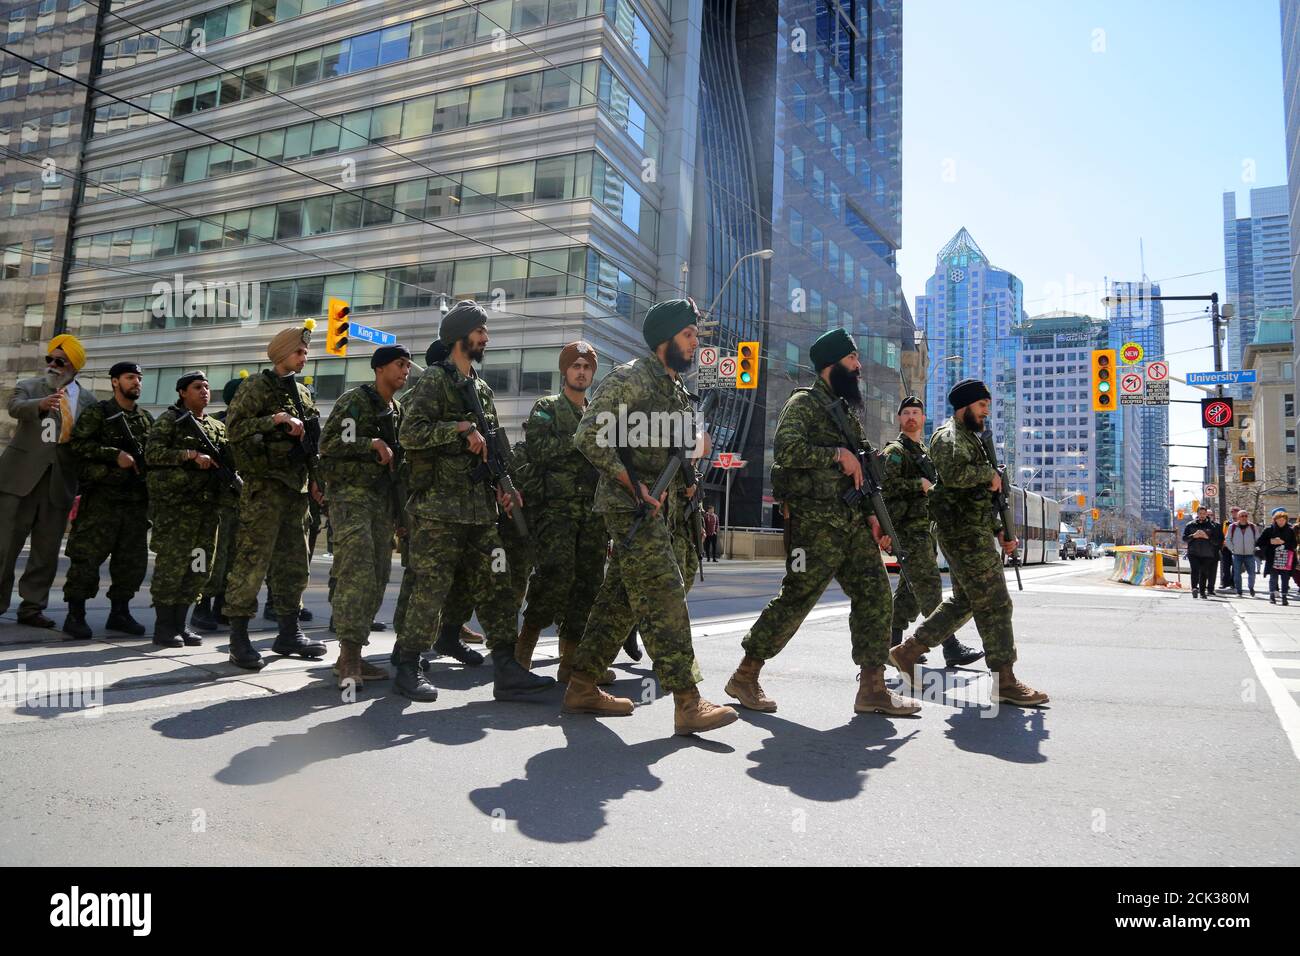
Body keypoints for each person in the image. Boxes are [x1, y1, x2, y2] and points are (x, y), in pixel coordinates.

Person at [562, 297, 737, 735]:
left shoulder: (676, 389)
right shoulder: (633, 378)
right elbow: (589, 435)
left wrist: (693, 471)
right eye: (689, 334)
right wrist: (629, 481)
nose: (696, 343)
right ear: (666, 339)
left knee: (620, 597)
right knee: (664, 589)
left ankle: (582, 683)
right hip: (630, 505)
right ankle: (688, 701)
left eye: (696, 335)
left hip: (665, 508)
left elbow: (674, 452)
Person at [725, 329, 918, 716]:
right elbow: (787, 449)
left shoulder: (845, 411)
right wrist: (835, 454)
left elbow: (860, 471)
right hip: (813, 527)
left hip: (850, 523)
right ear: (832, 364)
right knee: (796, 599)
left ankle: (873, 687)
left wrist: (872, 517)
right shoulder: (804, 403)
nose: (859, 366)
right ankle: (745, 675)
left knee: (877, 594)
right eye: (852, 359)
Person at [394, 300, 555, 703]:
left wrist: (507, 485)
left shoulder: (480, 388)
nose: (486, 337)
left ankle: (505, 666)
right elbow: (409, 432)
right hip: (439, 510)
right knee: (430, 588)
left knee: (496, 584)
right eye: (480, 330)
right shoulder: (434, 380)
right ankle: (407, 663)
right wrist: (458, 428)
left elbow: (494, 446)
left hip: (480, 509)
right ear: (460, 337)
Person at [890, 378, 1049, 707]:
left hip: (972, 529)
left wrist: (1002, 531)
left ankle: (908, 651)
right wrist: (987, 475)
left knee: (965, 602)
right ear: (964, 407)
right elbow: (952, 475)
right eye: (981, 406)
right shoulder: (950, 437)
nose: (986, 412)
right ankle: (1005, 679)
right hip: (962, 533)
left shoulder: (971, 438)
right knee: (997, 603)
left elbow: (982, 497)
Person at [222, 322, 328, 669]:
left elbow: (312, 442)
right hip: (264, 487)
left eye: (305, 353)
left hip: (296, 491)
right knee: (252, 562)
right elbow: (233, 430)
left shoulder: (304, 393)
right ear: (283, 353)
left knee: (295, 564)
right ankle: (238, 638)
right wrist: (275, 420)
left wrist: (316, 479)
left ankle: (288, 631)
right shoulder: (256, 386)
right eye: (299, 352)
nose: (304, 358)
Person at [515, 342, 612, 683]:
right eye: (576, 366)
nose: (582, 371)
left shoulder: (600, 413)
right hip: (556, 510)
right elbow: (538, 450)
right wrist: (581, 440)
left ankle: (569, 664)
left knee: (588, 584)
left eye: (587, 367)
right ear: (565, 371)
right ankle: (521, 658)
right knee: (554, 577)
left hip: (592, 513)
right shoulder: (548, 407)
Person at [319, 344, 412, 687]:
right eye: (399, 365)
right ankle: (348, 658)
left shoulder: (398, 410)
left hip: (382, 505)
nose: (405, 371)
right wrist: (369, 443)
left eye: (408, 366)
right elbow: (329, 443)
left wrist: (401, 514)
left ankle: (355, 653)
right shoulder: (355, 401)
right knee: (356, 573)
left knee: (377, 577)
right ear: (380, 369)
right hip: (351, 498)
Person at [0, 334, 96, 628]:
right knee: (4, 548)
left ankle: (32, 608)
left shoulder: (90, 402)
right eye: (50, 360)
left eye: (60, 361)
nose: (53, 365)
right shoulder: (29, 387)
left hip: (58, 485)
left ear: (74, 367)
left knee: (45, 552)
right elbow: (14, 408)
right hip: (18, 481)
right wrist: (41, 405)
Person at [882, 395, 982, 667]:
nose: (911, 417)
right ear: (899, 419)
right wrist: (919, 484)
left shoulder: (925, 453)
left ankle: (891, 647)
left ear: (923, 419)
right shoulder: (895, 451)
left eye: (916, 412)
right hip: (907, 530)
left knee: (907, 596)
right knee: (929, 589)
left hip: (926, 529)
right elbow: (885, 488)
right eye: (906, 413)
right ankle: (951, 647)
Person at [61, 362, 153, 641]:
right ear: (115, 382)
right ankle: (75, 614)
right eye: (129, 378)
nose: (136, 382)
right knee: (86, 559)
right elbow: (77, 446)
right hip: (102, 500)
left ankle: (120, 613)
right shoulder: (99, 413)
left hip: (135, 503)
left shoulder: (146, 419)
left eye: (139, 377)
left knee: (131, 562)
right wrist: (114, 455)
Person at [144, 371, 230, 648]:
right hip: (177, 511)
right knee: (172, 568)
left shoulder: (216, 427)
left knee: (199, 567)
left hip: (207, 511)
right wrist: (189, 455)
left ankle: (181, 624)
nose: (205, 391)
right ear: (182, 392)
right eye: (197, 387)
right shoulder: (170, 421)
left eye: (206, 386)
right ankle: (164, 627)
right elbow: (152, 455)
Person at [197, 372, 248, 629]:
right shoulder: (216, 423)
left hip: (244, 502)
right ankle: (201, 605)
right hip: (219, 500)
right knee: (214, 557)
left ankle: (222, 605)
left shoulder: (252, 424)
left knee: (235, 558)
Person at [1182, 506, 1223, 599]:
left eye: (1204, 514)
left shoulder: (1212, 526)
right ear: (1197, 514)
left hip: (1207, 554)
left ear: (1206, 515)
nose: (1202, 515)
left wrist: (1207, 537)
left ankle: (1202, 592)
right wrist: (1193, 536)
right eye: (1200, 513)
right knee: (1195, 570)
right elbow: (1184, 538)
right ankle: (1194, 588)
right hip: (1193, 553)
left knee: (1204, 572)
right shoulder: (1190, 525)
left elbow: (1217, 541)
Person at [1257, 508, 1295, 606]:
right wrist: (1271, 541)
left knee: (1285, 578)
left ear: (1286, 520)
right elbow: (1259, 542)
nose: (1281, 522)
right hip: (1272, 557)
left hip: (1286, 557)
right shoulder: (1269, 530)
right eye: (1279, 520)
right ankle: (1272, 596)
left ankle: (1284, 597)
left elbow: (1294, 544)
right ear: (1275, 520)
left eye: (1283, 520)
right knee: (1273, 577)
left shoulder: (1290, 530)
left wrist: (1284, 544)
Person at [1225, 510, 1259, 598]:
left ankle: (1251, 587)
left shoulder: (1253, 527)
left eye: (1245, 516)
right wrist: (1233, 549)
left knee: (1252, 573)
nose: (1244, 518)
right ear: (1238, 517)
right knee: (1237, 574)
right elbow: (1228, 539)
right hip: (1237, 554)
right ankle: (1239, 591)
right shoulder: (1232, 527)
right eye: (1242, 516)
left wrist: (1255, 549)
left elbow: (1258, 539)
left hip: (1250, 554)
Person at [1219, 506, 1240, 590]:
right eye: (1232, 511)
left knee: (1236, 566)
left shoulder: (1241, 523)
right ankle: (1225, 583)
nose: (1234, 513)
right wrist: (1222, 543)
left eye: (1236, 511)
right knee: (1225, 566)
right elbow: (1223, 534)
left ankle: (1233, 583)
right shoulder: (1226, 523)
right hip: (1226, 547)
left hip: (1237, 548)